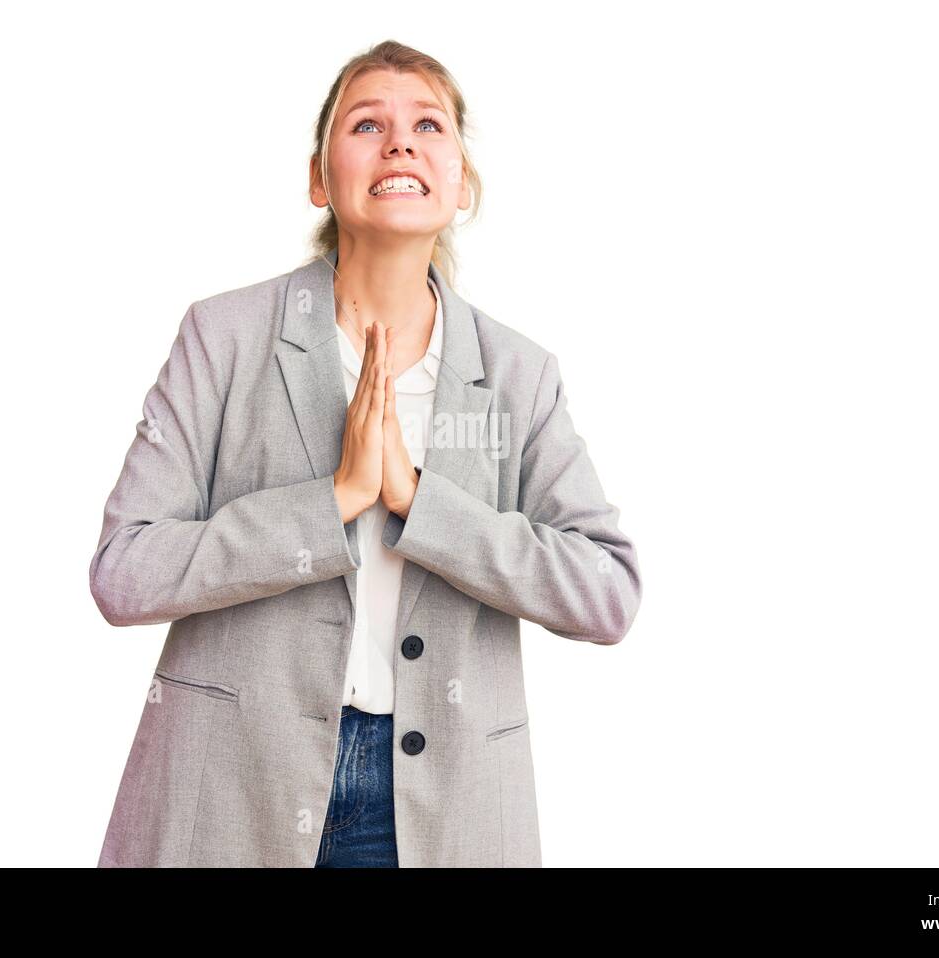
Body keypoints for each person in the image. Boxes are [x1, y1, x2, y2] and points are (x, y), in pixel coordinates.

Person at [91, 40, 642, 868]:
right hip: (233, 786)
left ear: (460, 184)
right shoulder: (223, 338)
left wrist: (423, 506)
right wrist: (333, 499)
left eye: (429, 125)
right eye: (367, 124)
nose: (400, 143)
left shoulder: (520, 376)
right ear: (320, 178)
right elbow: (123, 572)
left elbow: (609, 591)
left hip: (440, 811)